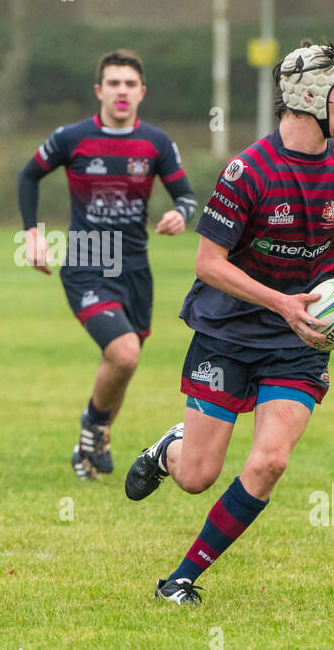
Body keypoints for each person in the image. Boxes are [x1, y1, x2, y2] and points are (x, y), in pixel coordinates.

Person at [124, 41, 334, 605]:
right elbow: (207, 265)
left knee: (269, 462)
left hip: (299, 343)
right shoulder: (248, 173)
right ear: (310, 97)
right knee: (196, 476)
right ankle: (172, 447)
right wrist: (283, 302)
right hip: (229, 332)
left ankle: (180, 580)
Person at [17, 49, 198, 479]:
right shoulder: (71, 138)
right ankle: (93, 426)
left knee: (120, 366)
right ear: (99, 90)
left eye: (130, 84)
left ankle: (87, 455)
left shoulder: (156, 143)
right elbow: (28, 176)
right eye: (113, 83)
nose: (121, 91)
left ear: (142, 93)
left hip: (135, 268)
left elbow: (187, 196)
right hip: (86, 263)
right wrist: (32, 233)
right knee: (124, 354)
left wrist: (180, 215)